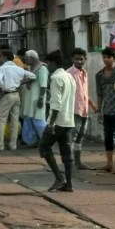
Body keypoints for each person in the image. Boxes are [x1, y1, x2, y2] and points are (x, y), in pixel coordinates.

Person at [40, 50, 76, 192]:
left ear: (53, 63)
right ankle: (69, 183)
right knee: (67, 153)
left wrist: (51, 124)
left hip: (57, 121)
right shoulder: (69, 76)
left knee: (44, 147)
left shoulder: (56, 78)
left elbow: (56, 104)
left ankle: (59, 178)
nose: (47, 66)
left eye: (48, 63)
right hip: (68, 120)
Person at [0, 49, 36, 151]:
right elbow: (33, 76)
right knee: (15, 120)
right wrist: (22, 83)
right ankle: (13, 145)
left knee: (1, 120)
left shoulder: (2, 68)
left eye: (0, 56)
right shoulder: (18, 69)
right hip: (16, 95)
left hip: (7, 94)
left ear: (4, 57)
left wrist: (4, 88)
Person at [95, 46, 115, 173]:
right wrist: (99, 111)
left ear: (114, 59)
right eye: (104, 57)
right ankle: (109, 163)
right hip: (106, 111)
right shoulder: (99, 75)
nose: (106, 60)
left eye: (109, 57)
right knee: (107, 138)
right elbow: (99, 94)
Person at [69, 47, 99, 169]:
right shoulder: (69, 73)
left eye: (81, 59)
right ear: (72, 59)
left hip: (84, 109)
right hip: (74, 109)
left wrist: (92, 104)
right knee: (73, 135)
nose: (79, 61)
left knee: (80, 136)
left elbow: (84, 92)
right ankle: (69, 161)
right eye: (76, 59)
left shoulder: (84, 73)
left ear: (85, 59)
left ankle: (77, 162)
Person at [19, 50, 49, 148]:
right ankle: (34, 142)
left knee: (38, 121)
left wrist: (41, 98)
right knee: (30, 121)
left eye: (26, 58)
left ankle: (45, 141)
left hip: (37, 99)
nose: (25, 60)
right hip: (29, 99)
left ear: (32, 58)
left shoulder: (42, 68)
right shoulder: (30, 68)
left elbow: (43, 85)